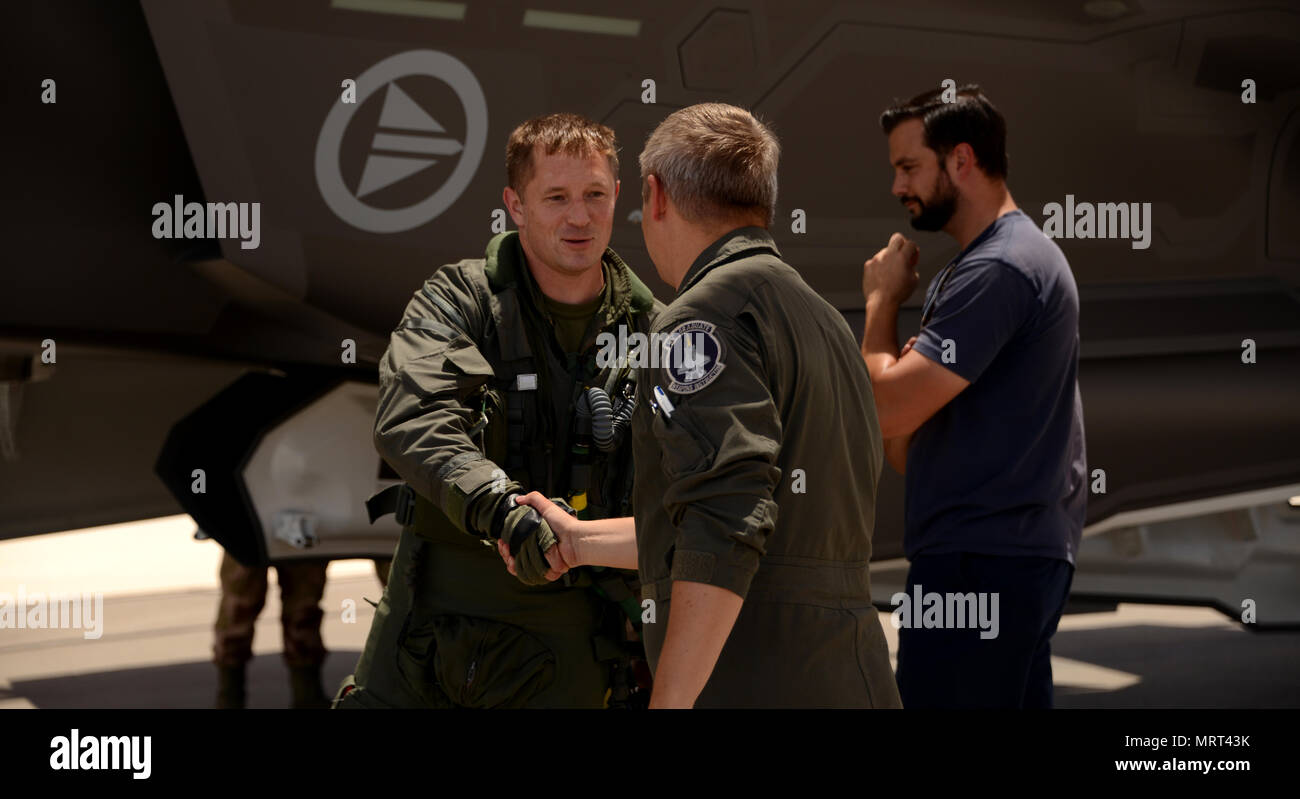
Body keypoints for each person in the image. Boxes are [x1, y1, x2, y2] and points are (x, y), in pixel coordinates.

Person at [505, 103, 901, 709]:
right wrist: (581, 541)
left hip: (753, 677)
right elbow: (745, 522)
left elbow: (727, 518)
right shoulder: (824, 321)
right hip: (853, 673)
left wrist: (670, 702)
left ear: (656, 196)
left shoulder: (697, 320)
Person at [334, 113, 661, 709]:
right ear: (515, 205)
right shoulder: (460, 300)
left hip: (570, 645)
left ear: (618, 195)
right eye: (556, 197)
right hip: (430, 635)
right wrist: (504, 509)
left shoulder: (655, 333)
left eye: (593, 194)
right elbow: (415, 416)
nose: (580, 217)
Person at [858, 84, 1086, 708]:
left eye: (909, 167)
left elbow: (880, 408)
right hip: (994, 558)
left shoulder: (999, 270)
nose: (898, 187)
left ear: (961, 160)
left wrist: (881, 303)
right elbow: (909, 447)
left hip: (981, 562)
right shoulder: (985, 266)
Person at [213, 551, 390, 709]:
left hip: (304, 524)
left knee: (303, 607)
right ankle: (230, 694)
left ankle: (306, 693)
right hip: (249, 524)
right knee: (239, 605)